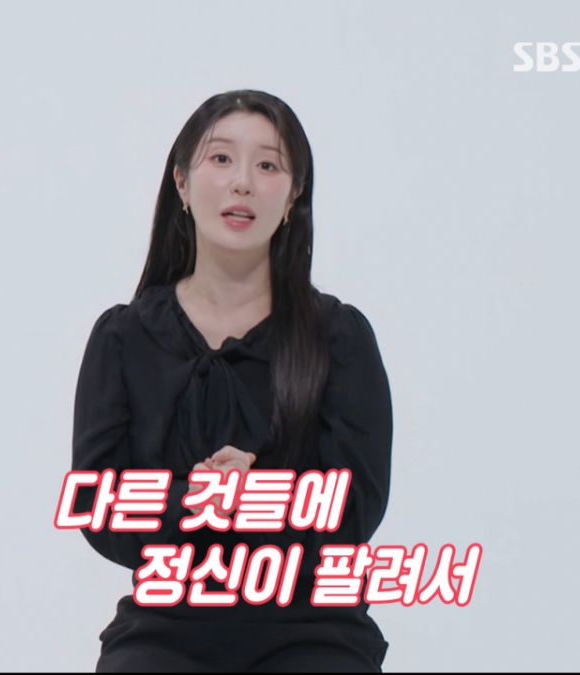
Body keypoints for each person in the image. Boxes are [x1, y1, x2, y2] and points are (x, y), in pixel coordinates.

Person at [71, 90, 393, 672]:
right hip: (167, 625)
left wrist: (257, 495)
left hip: (315, 628)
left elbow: (356, 510)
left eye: (268, 165)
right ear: (182, 182)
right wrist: (200, 501)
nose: (242, 182)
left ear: (293, 197)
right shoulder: (124, 336)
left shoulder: (339, 336)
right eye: (221, 159)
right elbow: (96, 505)